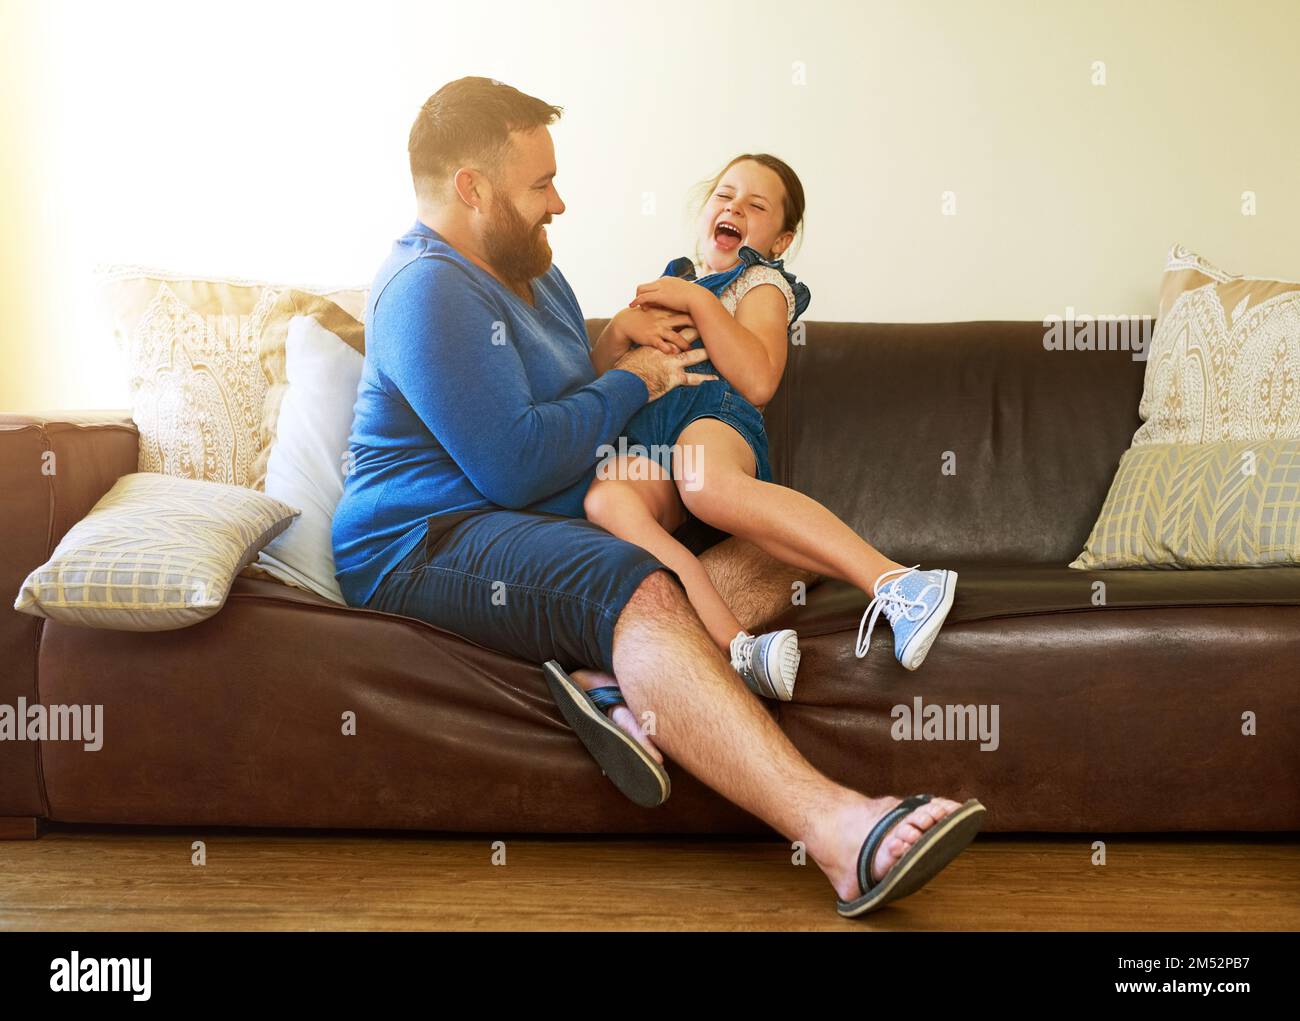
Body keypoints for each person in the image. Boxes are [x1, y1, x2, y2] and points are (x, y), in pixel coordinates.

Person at [330, 76, 984, 917]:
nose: (558, 202)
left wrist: (611, 349)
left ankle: (613, 677)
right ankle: (841, 831)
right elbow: (517, 464)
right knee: (640, 587)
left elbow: (560, 397)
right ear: (471, 188)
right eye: (540, 185)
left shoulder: (538, 275)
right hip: (427, 539)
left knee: (785, 551)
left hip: (530, 518)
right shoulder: (427, 288)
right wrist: (636, 381)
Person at [580, 153, 959, 707]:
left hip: (711, 414)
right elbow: (596, 391)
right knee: (606, 499)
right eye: (724, 195)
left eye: (755, 205)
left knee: (705, 481)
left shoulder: (760, 283)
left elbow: (758, 379)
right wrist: (619, 331)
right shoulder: (671, 281)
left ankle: (899, 582)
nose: (734, 207)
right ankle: (737, 648)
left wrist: (699, 302)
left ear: (780, 241)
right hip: (645, 438)